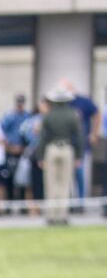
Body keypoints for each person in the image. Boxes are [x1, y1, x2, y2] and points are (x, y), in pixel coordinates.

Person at [38, 85, 85, 225]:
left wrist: (40, 156)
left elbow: (43, 137)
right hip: (67, 148)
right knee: (65, 183)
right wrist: (79, 156)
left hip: (51, 149)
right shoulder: (73, 115)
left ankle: (51, 216)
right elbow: (79, 136)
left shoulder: (48, 115)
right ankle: (62, 215)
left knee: (51, 183)